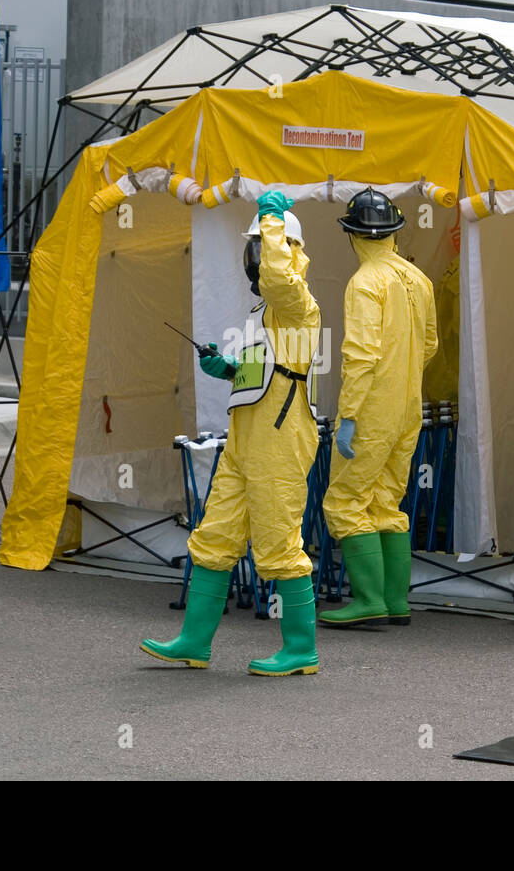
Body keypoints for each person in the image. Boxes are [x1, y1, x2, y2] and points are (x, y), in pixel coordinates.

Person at [141, 190, 322, 675]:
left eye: (262, 247)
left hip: (281, 438)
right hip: (246, 438)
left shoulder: (297, 304)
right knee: (216, 535)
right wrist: (228, 369)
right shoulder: (265, 316)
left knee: (280, 542)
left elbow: (281, 279)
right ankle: (194, 642)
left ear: (286, 250)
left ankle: (301, 650)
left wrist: (272, 219)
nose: (256, 258)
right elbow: (266, 374)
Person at [319, 188, 437, 628]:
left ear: (352, 236)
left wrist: (349, 415)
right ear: (393, 232)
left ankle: (368, 600)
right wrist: (402, 376)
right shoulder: (418, 279)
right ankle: (394, 602)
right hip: (408, 408)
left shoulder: (365, 282)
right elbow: (430, 345)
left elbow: (361, 356)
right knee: (387, 500)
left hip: (370, 411)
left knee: (346, 501)